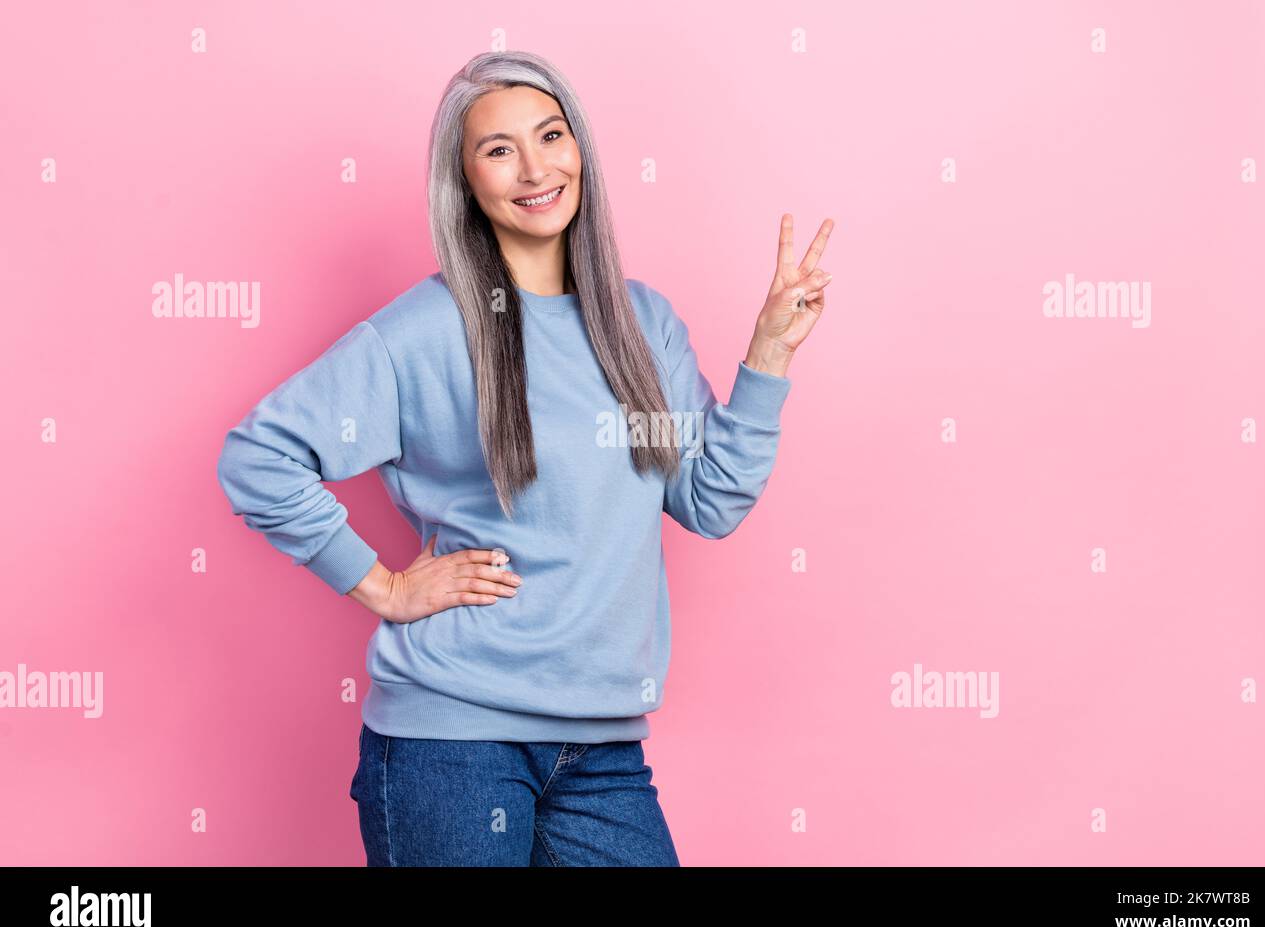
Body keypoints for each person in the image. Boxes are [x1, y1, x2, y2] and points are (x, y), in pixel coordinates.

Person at [215, 50, 834, 867]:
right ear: (464, 181)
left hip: (604, 754)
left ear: (581, 151)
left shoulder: (643, 323)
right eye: (500, 149)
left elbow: (709, 503)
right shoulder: (425, 330)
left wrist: (769, 357)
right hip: (452, 745)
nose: (536, 167)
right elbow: (259, 456)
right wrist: (385, 586)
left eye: (552, 135)